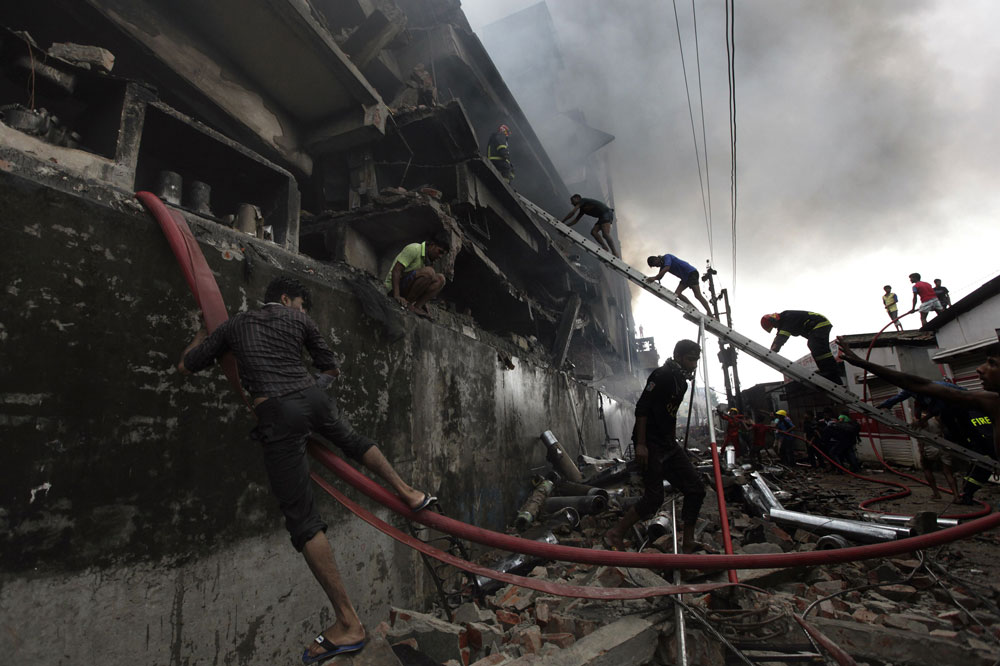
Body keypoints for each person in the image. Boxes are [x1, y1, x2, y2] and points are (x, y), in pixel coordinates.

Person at [178, 277, 438, 664]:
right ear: (286, 299)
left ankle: (348, 622)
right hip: (314, 398)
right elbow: (329, 368)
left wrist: (202, 332)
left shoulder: (233, 326)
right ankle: (410, 493)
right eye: (301, 304)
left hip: (277, 411)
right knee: (354, 440)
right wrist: (308, 392)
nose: (303, 311)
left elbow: (187, 365)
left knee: (303, 519)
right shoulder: (299, 322)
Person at [837, 338, 1000, 502]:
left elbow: (937, 392)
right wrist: (862, 364)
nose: (980, 369)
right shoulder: (990, 402)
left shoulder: (981, 402)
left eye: (992, 364)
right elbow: (911, 384)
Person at [603, 340, 706, 553]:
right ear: (678, 356)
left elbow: (668, 414)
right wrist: (641, 444)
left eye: (697, 360)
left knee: (695, 488)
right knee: (654, 497)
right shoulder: (662, 375)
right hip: (651, 444)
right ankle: (616, 532)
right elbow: (642, 409)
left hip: (668, 443)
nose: (694, 365)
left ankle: (688, 542)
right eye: (690, 359)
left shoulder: (682, 382)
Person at [760, 311, 842, 384]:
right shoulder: (783, 322)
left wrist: (771, 352)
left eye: (773, 325)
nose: (775, 327)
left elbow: (781, 338)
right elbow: (778, 337)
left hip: (820, 323)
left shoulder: (787, 318)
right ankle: (829, 372)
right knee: (816, 347)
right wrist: (771, 351)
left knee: (816, 346)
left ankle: (831, 372)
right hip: (815, 327)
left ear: (773, 319)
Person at [384, 235, 450, 319]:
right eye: (440, 251)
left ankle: (417, 306)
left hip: (407, 289)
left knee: (441, 279)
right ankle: (408, 304)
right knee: (429, 272)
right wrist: (396, 295)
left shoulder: (428, 260)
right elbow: (397, 270)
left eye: (442, 254)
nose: (440, 256)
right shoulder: (414, 248)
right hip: (393, 288)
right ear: (432, 245)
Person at [645, 254, 714, 317]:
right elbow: (660, 276)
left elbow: (667, 268)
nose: (657, 266)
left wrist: (654, 278)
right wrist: (654, 278)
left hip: (691, 273)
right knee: (677, 294)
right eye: (655, 266)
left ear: (656, 259)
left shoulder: (667, 257)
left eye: (656, 264)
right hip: (685, 278)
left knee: (697, 295)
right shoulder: (663, 265)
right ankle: (694, 309)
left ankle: (710, 313)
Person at [560, 193, 620, 258]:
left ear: (577, 198)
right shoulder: (582, 209)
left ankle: (615, 253)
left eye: (572, 201)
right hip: (601, 216)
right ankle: (605, 247)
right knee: (593, 232)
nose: (572, 203)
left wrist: (562, 221)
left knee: (605, 233)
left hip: (607, 213)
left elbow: (573, 212)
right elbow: (576, 220)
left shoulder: (583, 200)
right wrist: (566, 225)